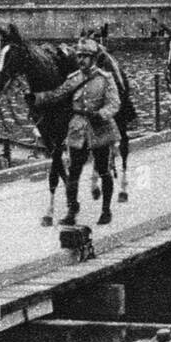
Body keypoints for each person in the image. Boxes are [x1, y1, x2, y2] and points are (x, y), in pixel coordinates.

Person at [29, 37, 122, 224]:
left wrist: (101, 114)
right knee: (74, 172)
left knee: (104, 170)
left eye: (85, 57)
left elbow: (114, 103)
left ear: (93, 59)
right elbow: (57, 94)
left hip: (100, 129)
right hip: (78, 128)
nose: (81, 60)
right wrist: (36, 98)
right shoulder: (74, 79)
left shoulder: (105, 79)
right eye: (79, 56)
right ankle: (72, 211)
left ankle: (105, 210)